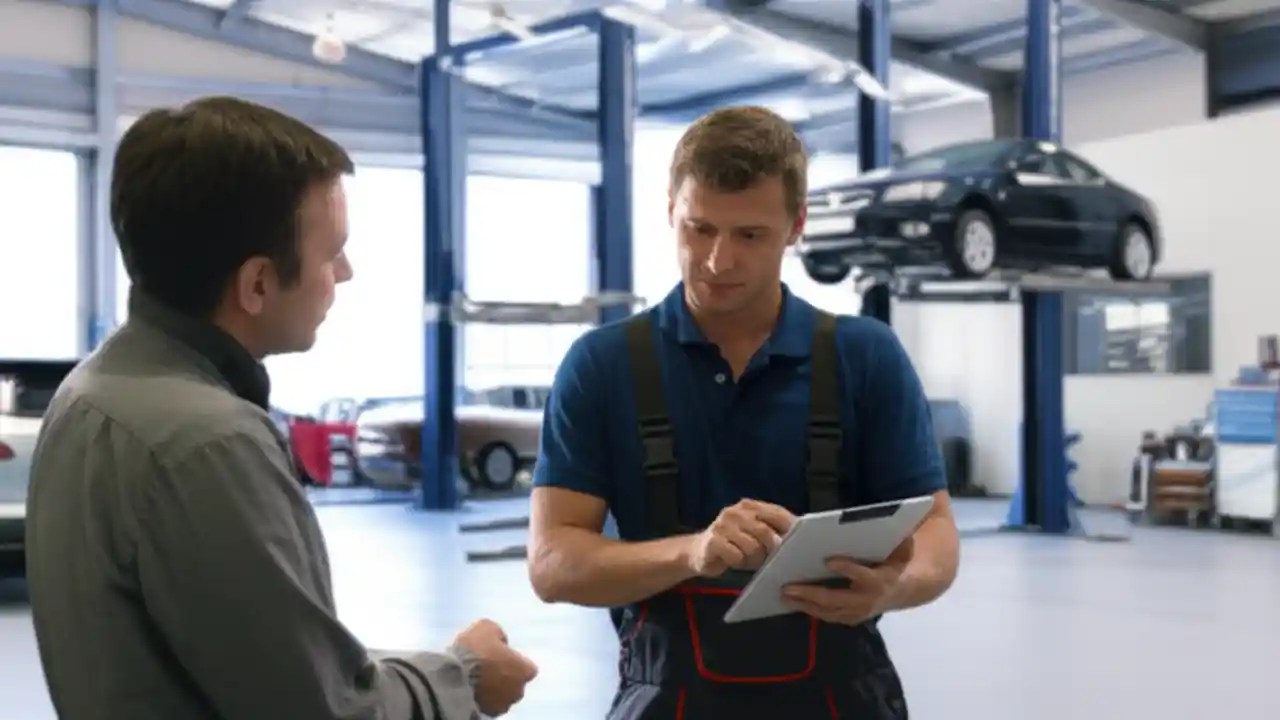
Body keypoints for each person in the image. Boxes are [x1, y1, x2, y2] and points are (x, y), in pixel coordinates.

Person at [24, 96, 538, 720]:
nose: (344, 273)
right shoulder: (209, 443)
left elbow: (246, 655)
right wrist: (463, 676)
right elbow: (319, 709)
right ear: (258, 283)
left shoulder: (93, 392)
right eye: (331, 253)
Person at [526, 106, 960, 718]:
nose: (717, 260)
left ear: (796, 226)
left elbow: (935, 533)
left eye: (749, 235)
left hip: (840, 698)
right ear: (669, 212)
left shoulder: (866, 357)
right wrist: (692, 552)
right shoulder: (602, 365)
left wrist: (896, 585)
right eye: (698, 229)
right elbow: (551, 564)